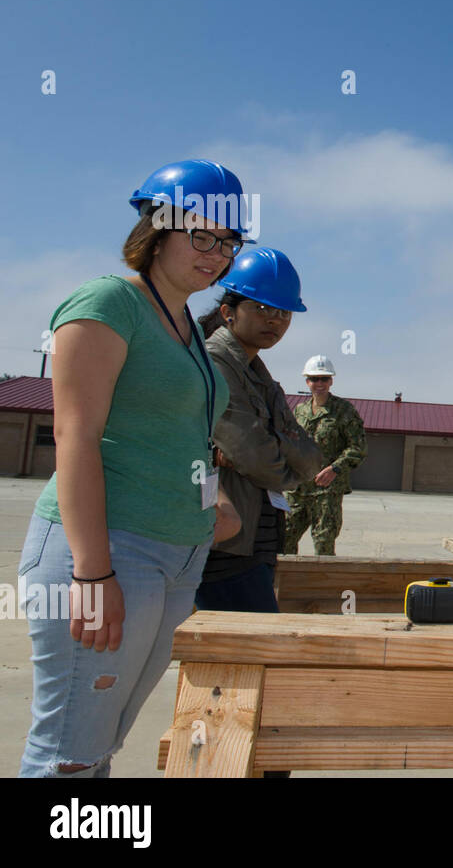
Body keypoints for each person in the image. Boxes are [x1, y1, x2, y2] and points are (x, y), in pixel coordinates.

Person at [18, 159, 247, 777]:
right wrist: (93, 575)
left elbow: (176, 433)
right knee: (69, 748)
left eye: (228, 241)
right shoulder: (109, 301)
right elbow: (76, 435)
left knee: (104, 742)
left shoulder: (188, 329)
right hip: (109, 551)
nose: (216, 253)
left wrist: (212, 501)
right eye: (200, 234)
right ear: (156, 227)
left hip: (175, 557)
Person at [197, 247, 323, 612]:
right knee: (239, 655)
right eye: (262, 308)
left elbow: (312, 461)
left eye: (284, 312)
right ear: (228, 313)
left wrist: (269, 452)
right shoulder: (216, 365)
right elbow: (262, 461)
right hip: (225, 545)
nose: (275, 321)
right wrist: (277, 455)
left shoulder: (261, 378)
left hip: (257, 540)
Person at [284, 356, 366, 556]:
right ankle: (285, 585)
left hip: (327, 490)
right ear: (307, 382)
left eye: (324, 379)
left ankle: (322, 586)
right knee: (284, 537)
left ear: (331, 381)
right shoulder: (300, 411)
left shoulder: (344, 410)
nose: (319, 383)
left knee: (324, 542)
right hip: (298, 488)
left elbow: (358, 447)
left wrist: (335, 468)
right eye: (314, 379)